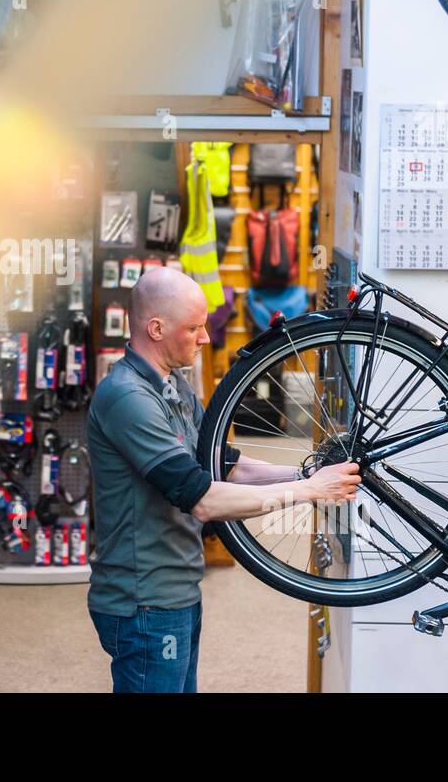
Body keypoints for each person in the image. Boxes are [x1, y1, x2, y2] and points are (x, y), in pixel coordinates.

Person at [85, 266, 359, 693]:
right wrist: (310, 490)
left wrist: (305, 474)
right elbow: (204, 500)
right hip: (143, 601)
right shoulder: (128, 398)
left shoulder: (172, 385)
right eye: (194, 327)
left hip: (175, 589)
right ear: (156, 328)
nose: (206, 338)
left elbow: (226, 465)